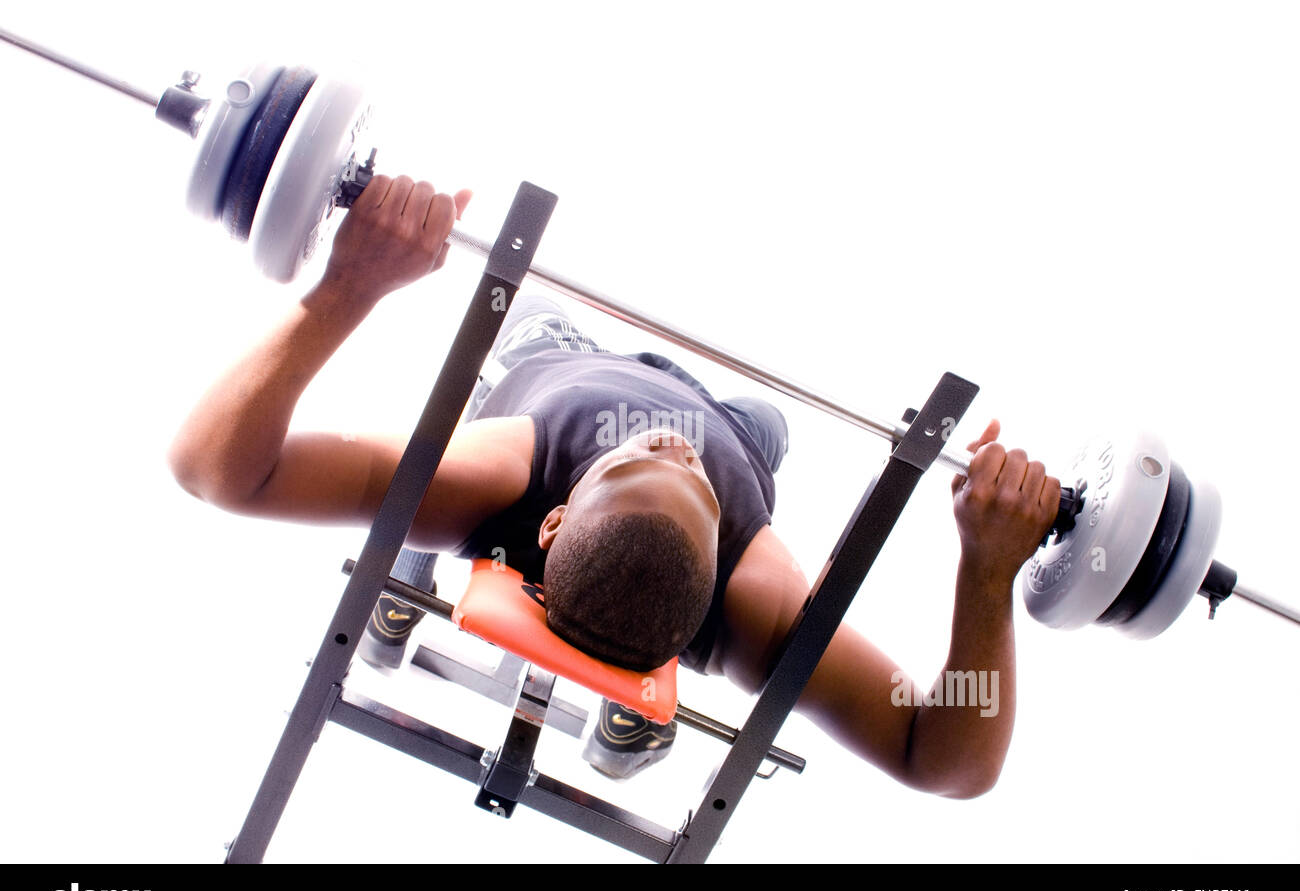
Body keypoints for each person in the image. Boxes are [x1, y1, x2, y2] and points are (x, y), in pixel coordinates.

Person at [168, 175, 1061, 795]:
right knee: (771, 426)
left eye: (636, 465)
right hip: (739, 422)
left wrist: (348, 287)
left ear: (552, 522)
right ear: (719, 571)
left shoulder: (502, 482)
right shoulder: (753, 606)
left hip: (556, 362)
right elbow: (949, 753)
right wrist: (988, 573)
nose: (671, 448)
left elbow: (215, 466)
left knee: (463, 423)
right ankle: (441, 598)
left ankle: (408, 570)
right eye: (698, 492)